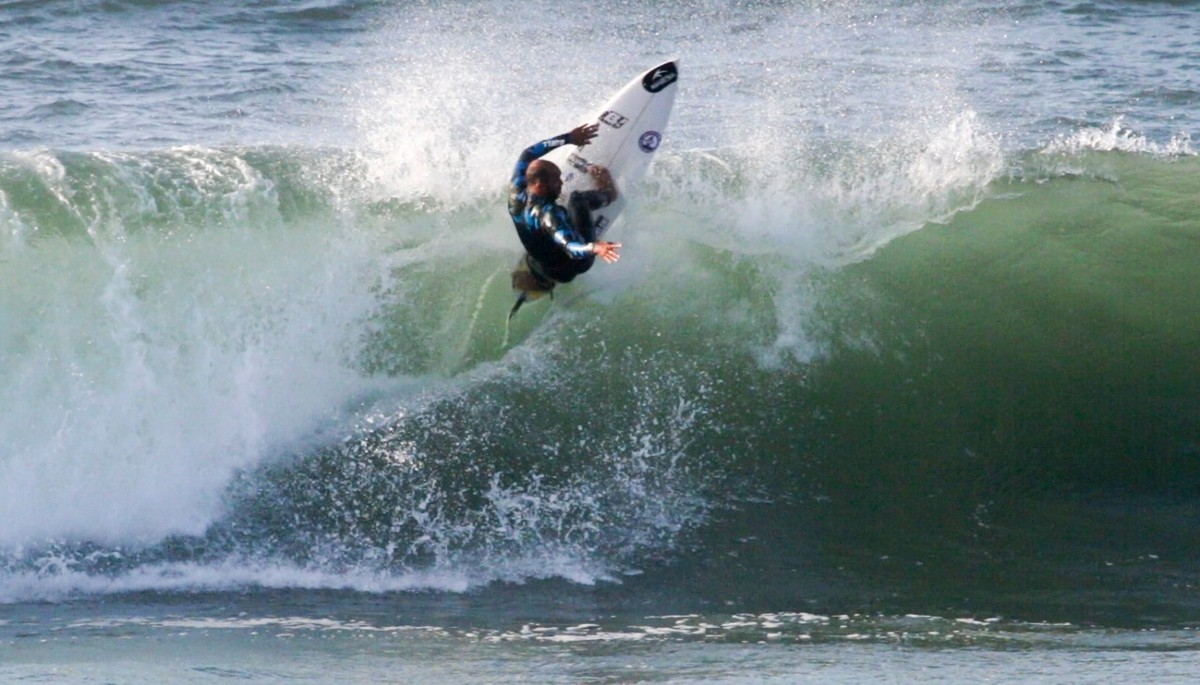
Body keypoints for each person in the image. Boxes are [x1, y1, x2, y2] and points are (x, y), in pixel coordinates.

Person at [507, 123, 621, 292]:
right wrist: (595, 247)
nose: (561, 182)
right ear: (539, 183)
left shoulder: (515, 192)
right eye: (556, 180)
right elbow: (571, 249)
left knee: (542, 240)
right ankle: (609, 194)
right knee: (576, 200)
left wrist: (569, 138)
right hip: (574, 266)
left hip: (546, 265)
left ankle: (540, 277)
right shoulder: (548, 215)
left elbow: (528, 153)